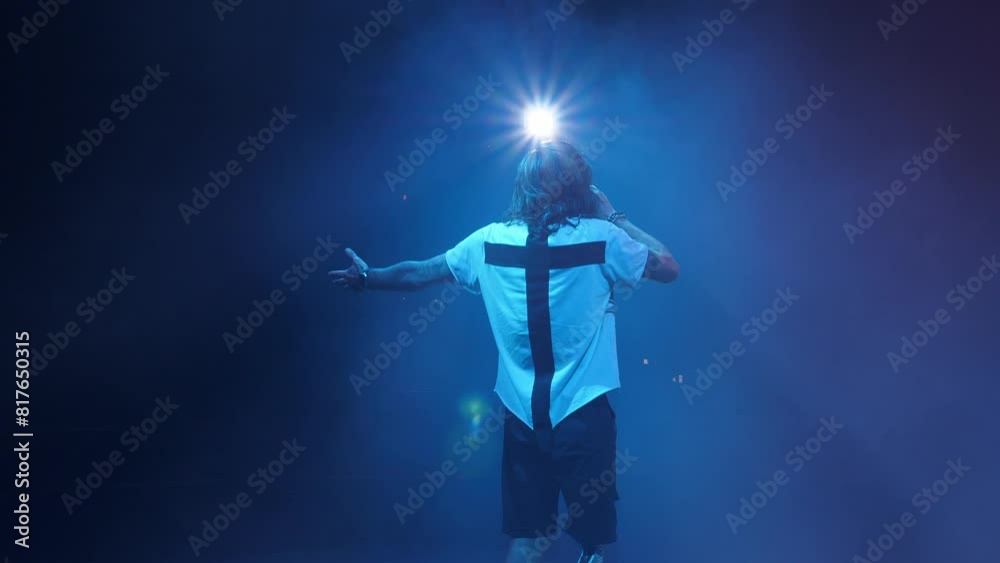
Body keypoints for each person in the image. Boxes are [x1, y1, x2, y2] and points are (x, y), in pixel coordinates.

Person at [329, 139, 679, 562]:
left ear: (523, 186)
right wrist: (614, 214)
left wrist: (368, 278)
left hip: (523, 417)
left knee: (527, 537)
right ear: (580, 185)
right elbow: (668, 266)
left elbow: (421, 273)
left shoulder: (488, 243)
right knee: (592, 545)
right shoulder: (604, 238)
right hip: (584, 415)